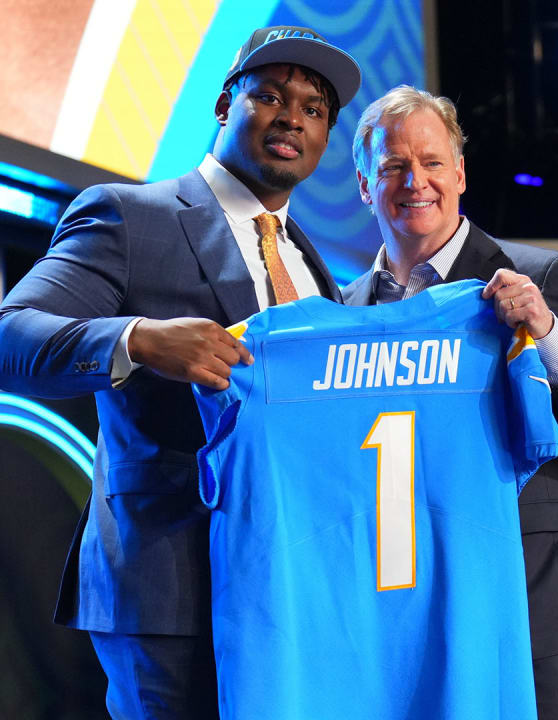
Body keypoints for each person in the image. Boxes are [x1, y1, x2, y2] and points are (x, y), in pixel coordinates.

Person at [0, 26, 361, 719]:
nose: (293, 117)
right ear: (226, 106)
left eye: (315, 109)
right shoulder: (130, 216)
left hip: (290, 588)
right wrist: (140, 340)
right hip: (170, 591)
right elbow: (12, 336)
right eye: (272, 96)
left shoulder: (315, 267)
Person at [343, 85, 558, 719]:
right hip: (401, 618)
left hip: (533, 611)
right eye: (392, 166)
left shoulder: (544, 279)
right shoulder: (344, 313)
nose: (414, 181)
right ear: (365, 186)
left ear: (461, 174)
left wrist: (546, 330)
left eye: (431, 162)